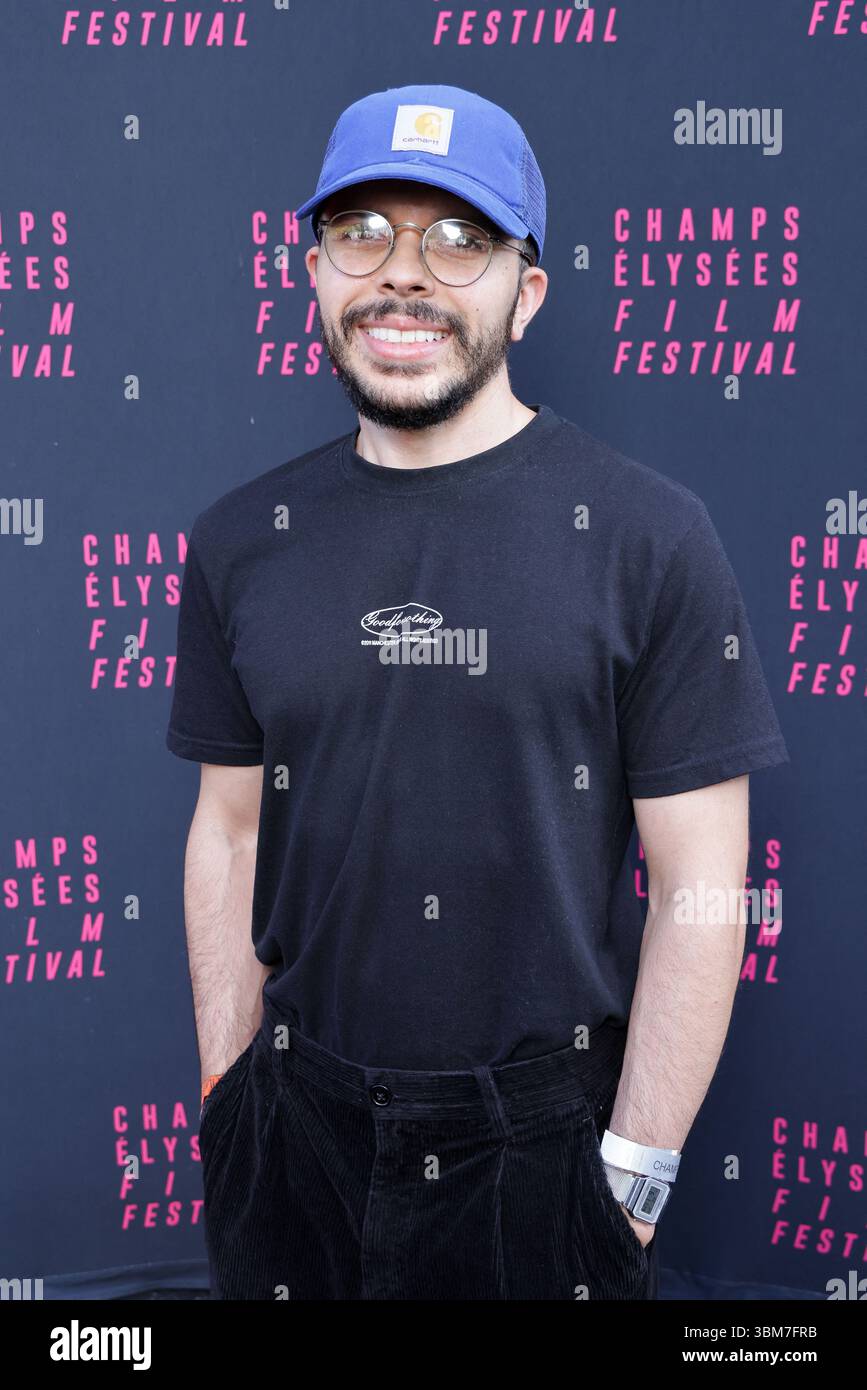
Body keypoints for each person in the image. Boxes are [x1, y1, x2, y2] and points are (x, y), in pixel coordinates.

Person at [166, 83, 789, 1300]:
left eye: (459, 239)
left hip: (546, 1154)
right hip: (295, 1138)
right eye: (364, 232)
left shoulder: (650, 538)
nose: (405, 275)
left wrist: (632, 1181)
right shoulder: (240, 541)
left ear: (528, 289)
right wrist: (231, 1106)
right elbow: (229, 830)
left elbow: (707, 886)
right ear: (313, 271)